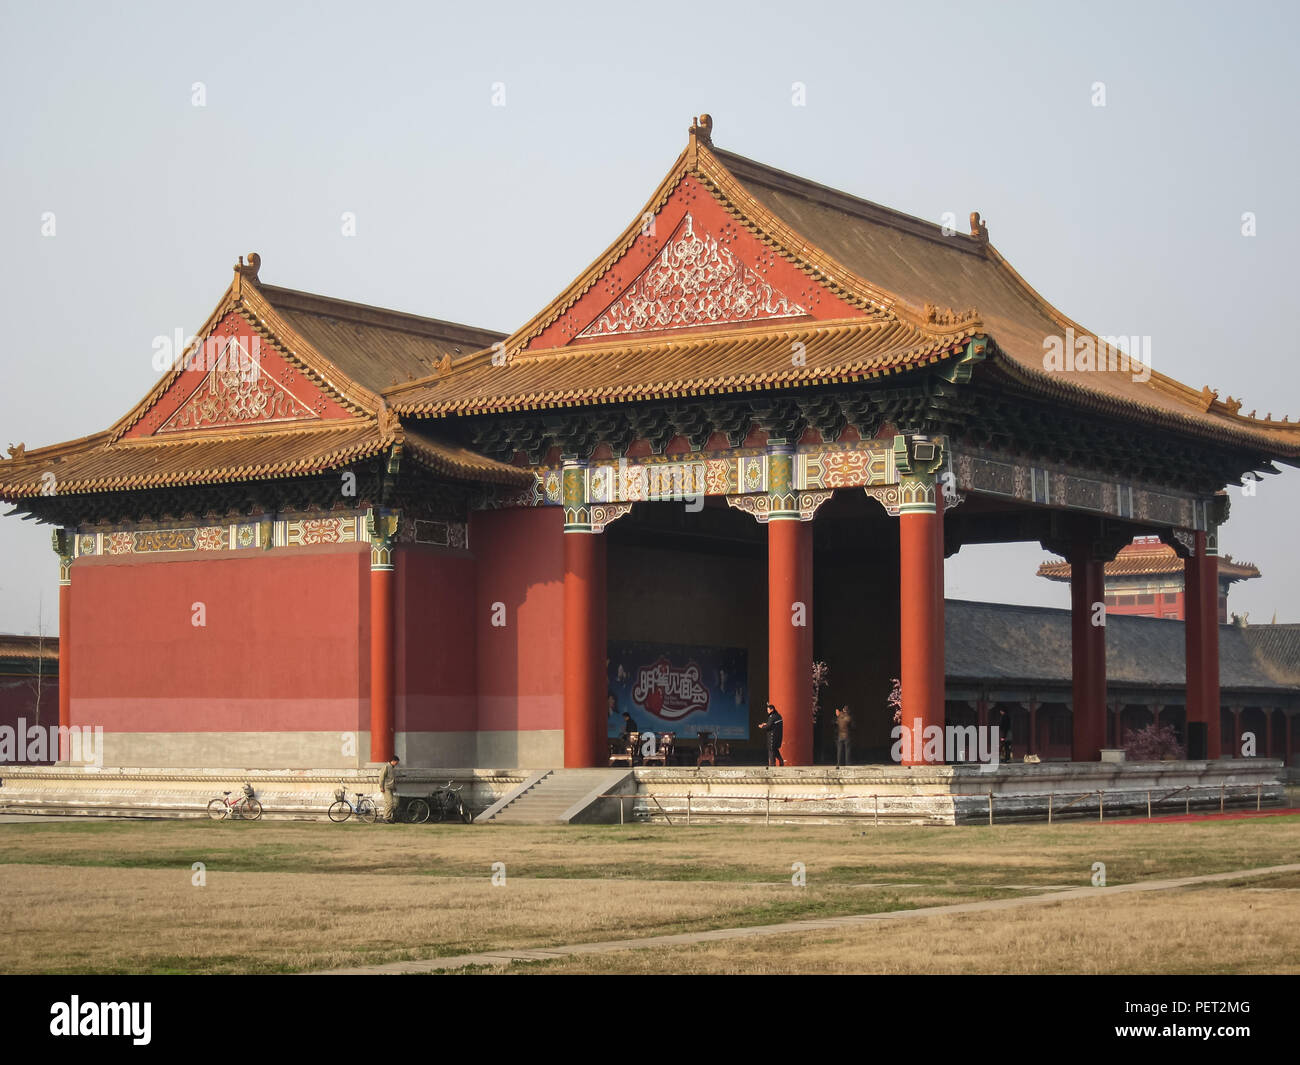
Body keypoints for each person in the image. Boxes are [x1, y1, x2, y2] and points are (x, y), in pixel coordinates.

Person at [758, 702, 784, 767]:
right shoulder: (778, 715)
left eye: (768, 710)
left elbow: (769, 726)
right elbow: (772, 724)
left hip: (773, 735)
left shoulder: (772, 716)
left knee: (771, 749)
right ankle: (781, 761)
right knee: (775, 749)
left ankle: (772, 764)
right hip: (778, 735)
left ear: (772, 709)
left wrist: (762, 726)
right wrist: (766, 724)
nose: (767, 711)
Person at [378, 755, 399, 823]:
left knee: (390, 803)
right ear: (393, 761)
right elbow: (381, 777)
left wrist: (394, 787)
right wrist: (381, 787)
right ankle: (386, 817)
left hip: (391, 787)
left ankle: (388, 818)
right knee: (390, 803)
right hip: (386, 787)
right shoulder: (386, 767)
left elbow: (393, 779)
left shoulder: (393, 768)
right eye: (396, 762)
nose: (397, 764)